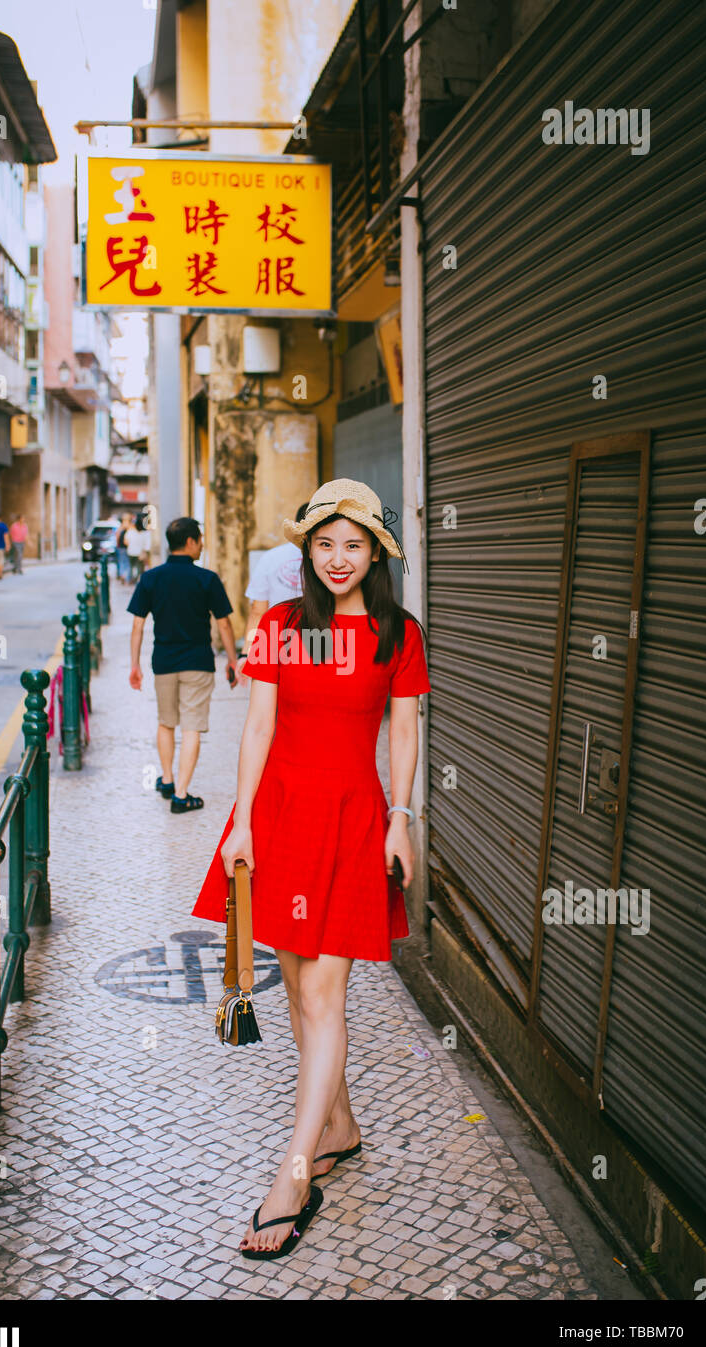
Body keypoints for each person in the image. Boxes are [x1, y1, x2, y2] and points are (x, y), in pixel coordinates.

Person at [190, 479, 430, 1260]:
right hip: (282, 819)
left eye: (353, 545)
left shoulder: (397, 633)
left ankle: (295, 1177)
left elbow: (404, 731)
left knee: (324, 995)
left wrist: (402, 819)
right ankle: (342, 1126)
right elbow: (258, 723)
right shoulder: (284, 626)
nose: (337, 558)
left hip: (351, 822)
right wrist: (242, 823)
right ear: (306, 551)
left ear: (375, 554)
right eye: (324, 544)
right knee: (295, 988)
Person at [128, 517, 238, 812]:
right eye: (199, 539)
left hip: (163, 662)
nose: (201, 544)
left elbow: (138, 626)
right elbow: (224, 625)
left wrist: (134, 665)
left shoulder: (150, 578)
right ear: (190, 541)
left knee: (165, 722)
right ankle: (181, 794)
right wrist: (232, 659)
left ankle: (166, 779)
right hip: (198, 663)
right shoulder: (207, 579)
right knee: (191, 728)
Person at [239, 503, 305, 673]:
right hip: (319, 642)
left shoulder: (271, 558)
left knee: (270, 693)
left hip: (276, 641)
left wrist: (246, 653)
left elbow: (257, 611)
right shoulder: (333, 561)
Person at [125, 518, 149, 582]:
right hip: (139, 553)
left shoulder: (130, 532)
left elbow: (126, 542)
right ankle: (138, 580)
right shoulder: (144, 533)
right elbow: (146, 545)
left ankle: (131, 579)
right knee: (139, 568)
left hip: (131, 552)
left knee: (131, 566)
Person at [115, 514, 133, 585]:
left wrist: (117, 545)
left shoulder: (121, 527)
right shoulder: (130, 527)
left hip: (120, 547)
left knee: (122, 563)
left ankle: (122, 575)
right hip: (125, 547)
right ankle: (127, 578)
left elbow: (117, 537)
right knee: (127, 563)